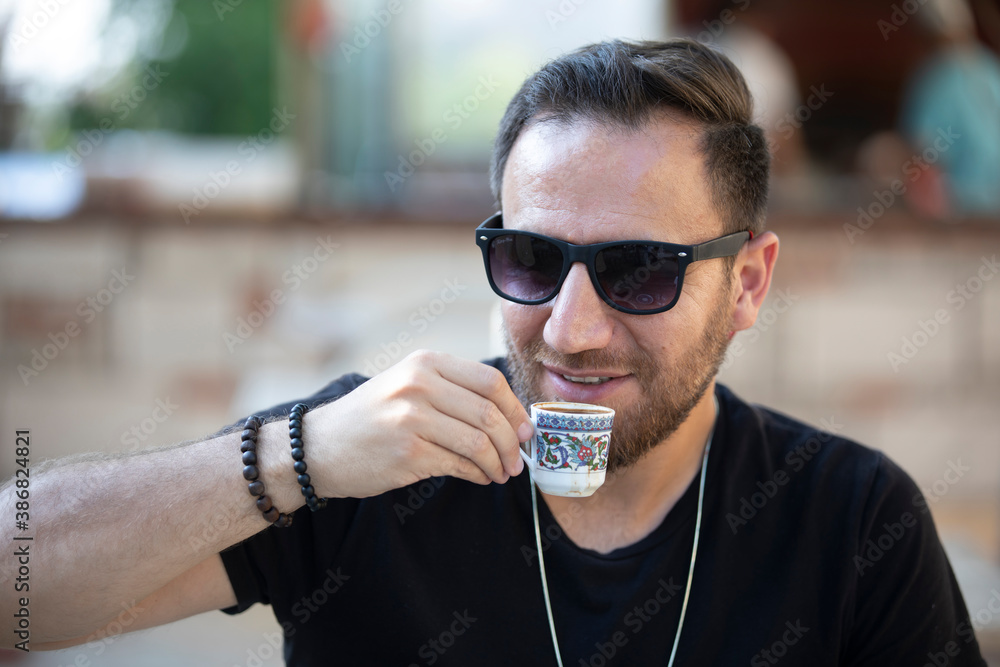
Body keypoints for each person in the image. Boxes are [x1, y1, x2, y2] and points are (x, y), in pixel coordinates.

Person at [2, 39, 986, 666]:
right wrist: (294, 454)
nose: (570, 330)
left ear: (748, 284)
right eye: (532, 259)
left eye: (640, 269)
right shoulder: (362, 460)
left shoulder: (851, 521)